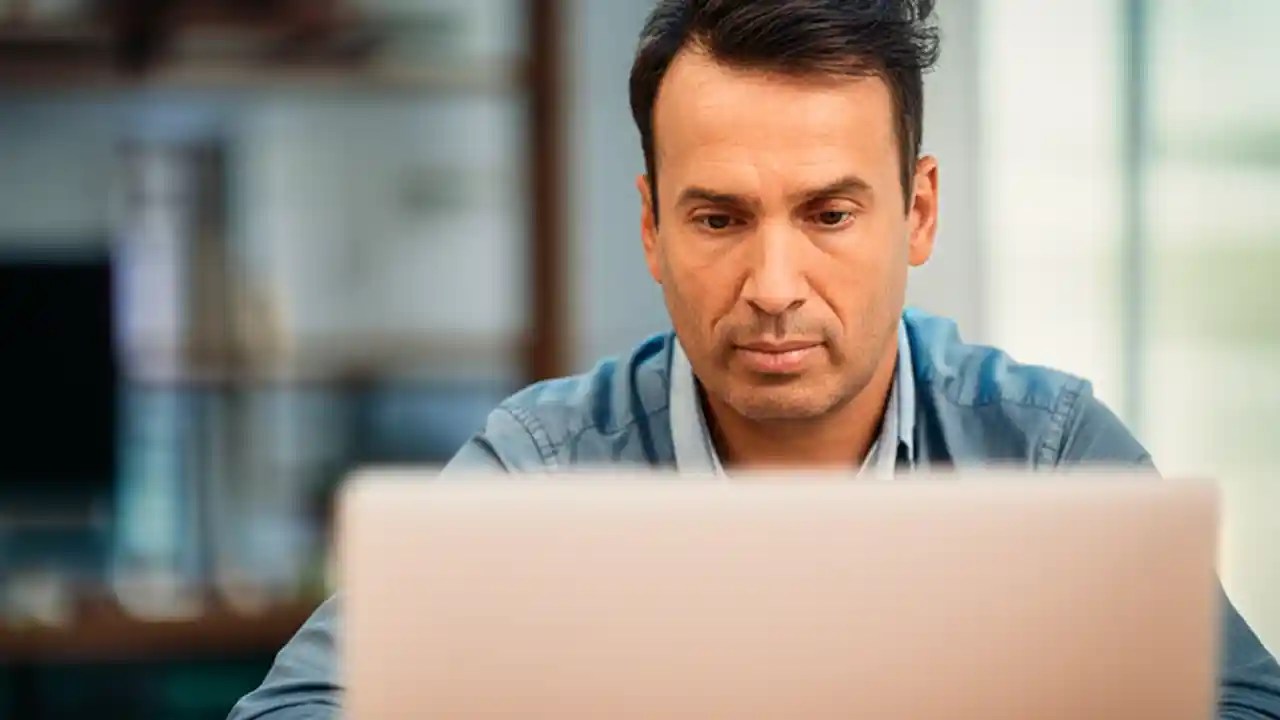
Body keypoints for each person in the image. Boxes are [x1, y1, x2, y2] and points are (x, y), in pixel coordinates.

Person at [230, 1, 1280, 717]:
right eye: (719, 218)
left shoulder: (1045, 450)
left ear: (917, 212)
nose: (774, 286)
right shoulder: (542, 465)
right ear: (652, 227)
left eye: (829, 214)